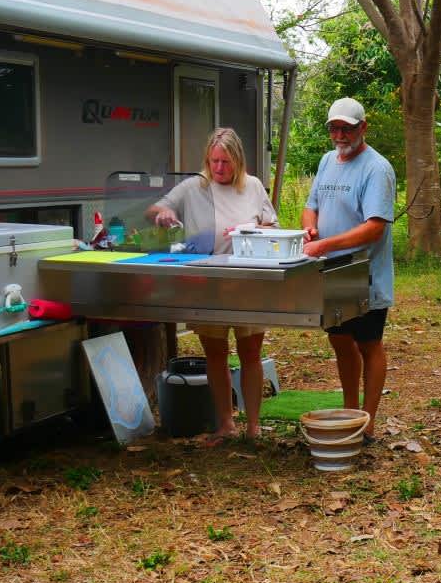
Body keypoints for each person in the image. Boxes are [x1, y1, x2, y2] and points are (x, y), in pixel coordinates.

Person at [145, 127, 278, 442]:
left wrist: (251, 228)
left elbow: (273, 224)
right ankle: (225, 424)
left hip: (247, 281)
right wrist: (163, 213)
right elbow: (156, 208)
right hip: (207, 283)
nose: (219, 169)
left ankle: (253, 427)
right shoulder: (194, 186)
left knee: (250, 353)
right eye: (214, 161)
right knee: (215, 354)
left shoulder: (254, 186)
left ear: (239, 162)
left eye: (226, 163)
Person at [302, 97, 395, 440]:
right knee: (340, 341)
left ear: (363, 128)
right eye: (334, 128)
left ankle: (367, 423)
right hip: (332, 272)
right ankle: (348, 412)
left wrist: (325, 244)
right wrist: (311, 229)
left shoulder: (377, 168)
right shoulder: (327, 161)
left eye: (347, 128)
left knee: (368, 342)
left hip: (365, 273)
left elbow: (375, 227)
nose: (340, 135)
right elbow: (311, 207)